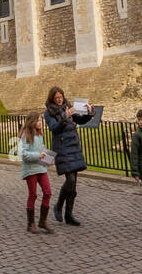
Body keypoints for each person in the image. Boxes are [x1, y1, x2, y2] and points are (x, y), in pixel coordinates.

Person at [44, 86, 93, 226]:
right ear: (52, 99)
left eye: (61, 97)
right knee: (70, 180)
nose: (60, 100)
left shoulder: (69, 106)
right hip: (62, 147)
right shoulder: (49, 113)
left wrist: (89, 113)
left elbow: (81, 120)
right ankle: (58, 205)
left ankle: (69, 215)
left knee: (74, 184)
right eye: (57, 98)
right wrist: (64, 118)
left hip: (74, 146)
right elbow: (54, 128)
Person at [19, 111, 55, 234]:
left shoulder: (40, 135)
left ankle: (42, 221)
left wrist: (48, 159)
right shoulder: (25, 135)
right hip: (30, 169)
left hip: (41, 168)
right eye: (38, 120)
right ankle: (30, 224)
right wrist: (38, 156)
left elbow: (42, 150)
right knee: (33, 195)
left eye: (41, 120)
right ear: (32, 122)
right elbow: (23, 154)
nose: (40, 123)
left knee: (48, 192)